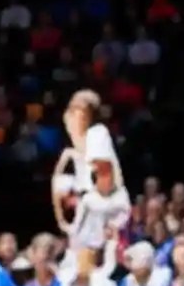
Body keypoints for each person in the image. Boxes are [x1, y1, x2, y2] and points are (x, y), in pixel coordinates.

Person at [54, 90, 130, 276]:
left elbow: (105, 178)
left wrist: (89, 203)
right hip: (87, 217)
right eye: (70, 111)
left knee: (96, 272)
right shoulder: (75, 150)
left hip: (107, 210)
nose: (70, 117)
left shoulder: (97, 135)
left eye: (76, 112)